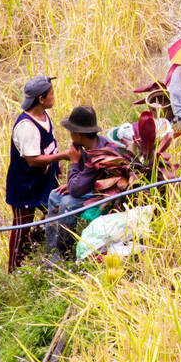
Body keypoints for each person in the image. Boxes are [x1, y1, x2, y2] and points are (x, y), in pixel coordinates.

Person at [6, 75, 72, 271]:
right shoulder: (26, 127)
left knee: (51, 215)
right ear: (41, 99)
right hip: (25, 185)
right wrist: (62, 156)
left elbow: (48, 142)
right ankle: (15, 270)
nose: (54, 96)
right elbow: (33, 160)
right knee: (21, 228)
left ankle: (39, 250)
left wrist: (55, 163)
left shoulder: (43, 115)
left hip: (44, 180)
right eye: (51, 94)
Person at [44, 105, 121, 257]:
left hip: (102, 195)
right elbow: (79, 181)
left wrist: (73, 162)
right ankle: (51, 248)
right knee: (54, 195)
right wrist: (73, 183)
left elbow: (76, 190)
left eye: (72, 130)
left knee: (67, 203)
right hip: (89, 187)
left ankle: (62, 252)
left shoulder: (97, 155)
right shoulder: (88, 145)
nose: (70, 133)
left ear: (79, 133)